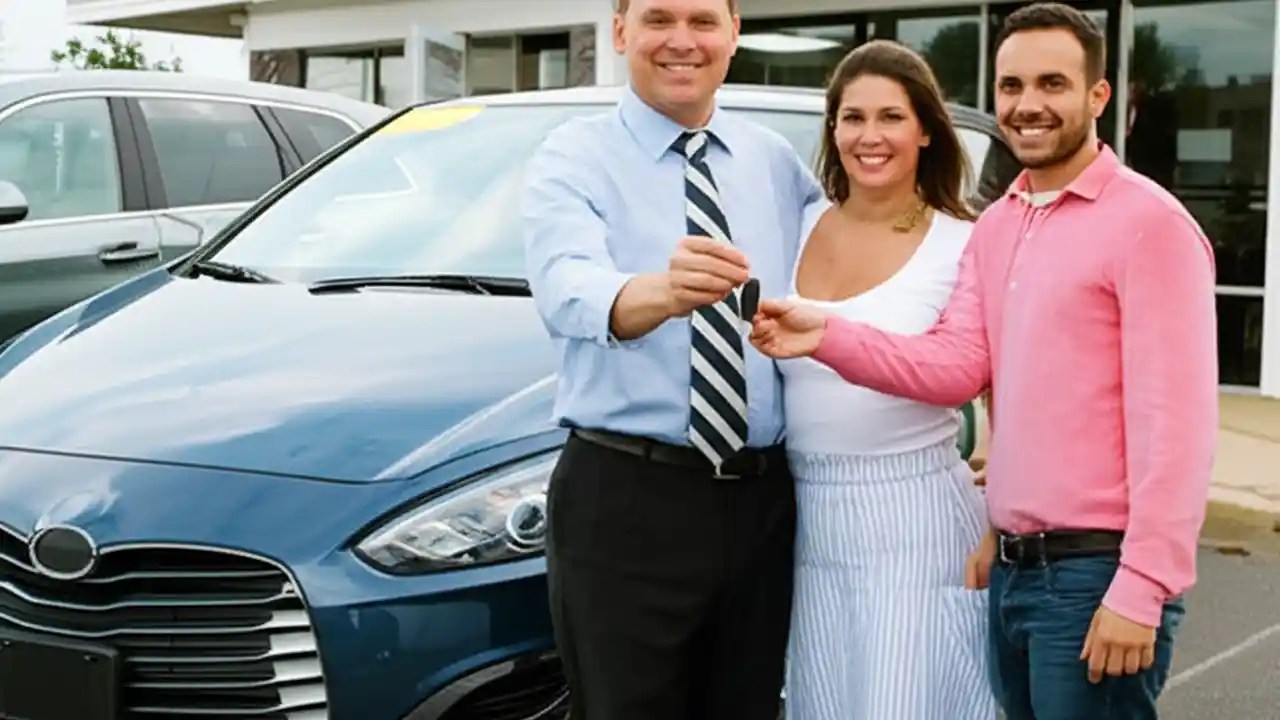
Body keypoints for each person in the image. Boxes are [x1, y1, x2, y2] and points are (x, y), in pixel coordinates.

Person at [750, 3, 1218, 719]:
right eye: (1011, 87)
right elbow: (976, 373)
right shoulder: (1002, 224)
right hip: (1012, 573)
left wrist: (1144, 585)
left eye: (1053, 84)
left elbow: (1178, 428)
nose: (1029, 105)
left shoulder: (1150, 225)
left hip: (1096, 574)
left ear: (1100, 97)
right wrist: (997, 518)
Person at [520, 0, 823, 717]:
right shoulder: (574, 155)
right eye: (658, 19)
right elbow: (566, 288)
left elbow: (848, 274)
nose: (681, 41)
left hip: (764, 504)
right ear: (620, 32)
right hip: (628, 499)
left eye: (702, 20)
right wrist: (660, 292)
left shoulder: (773, 161)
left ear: (734, 33)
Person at [776, 40, 997, 720]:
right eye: (852, 118)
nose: (869, 137)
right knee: (821, 702)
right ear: (833, 129)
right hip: (803, 514)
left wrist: (1006, 509)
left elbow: (1003, 387)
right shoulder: (795, 223)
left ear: (927, 128)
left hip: (915, 515)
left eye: (891, 118)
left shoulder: (965, 239)